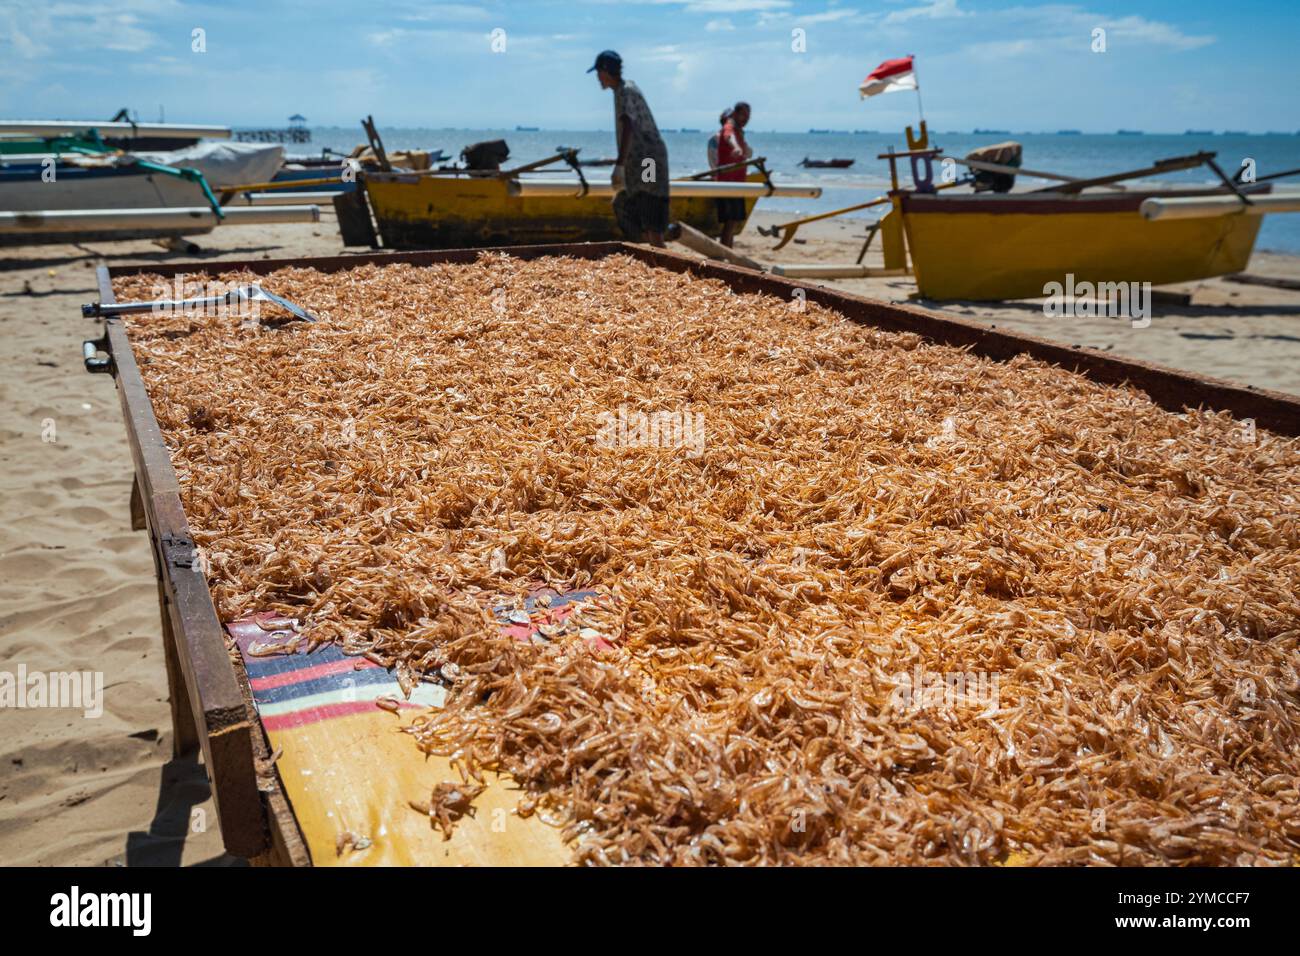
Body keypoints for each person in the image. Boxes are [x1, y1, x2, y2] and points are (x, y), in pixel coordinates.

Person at [588, 50, 669, 247]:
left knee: (649, 203)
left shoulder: (625, 91)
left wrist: (620, 165)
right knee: (630, 206)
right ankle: (654, 247)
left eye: (598, 73)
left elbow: (628, 126)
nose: (598, 78)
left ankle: (660, 251)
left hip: (648, 160)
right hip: (641, 161)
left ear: (606, 71)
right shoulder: (622, 90)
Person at [714, 101, 752, 247]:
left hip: (737, 183)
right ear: (735, 114)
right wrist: (736, 148)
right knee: (730, 222)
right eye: (743, 115)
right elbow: (729, 137)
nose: (746, 120)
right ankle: (726, 255)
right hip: (728, 183)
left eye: (748, 117)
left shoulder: (739, 131)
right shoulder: (729, 127)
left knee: (733, 222)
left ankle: (728, 253)